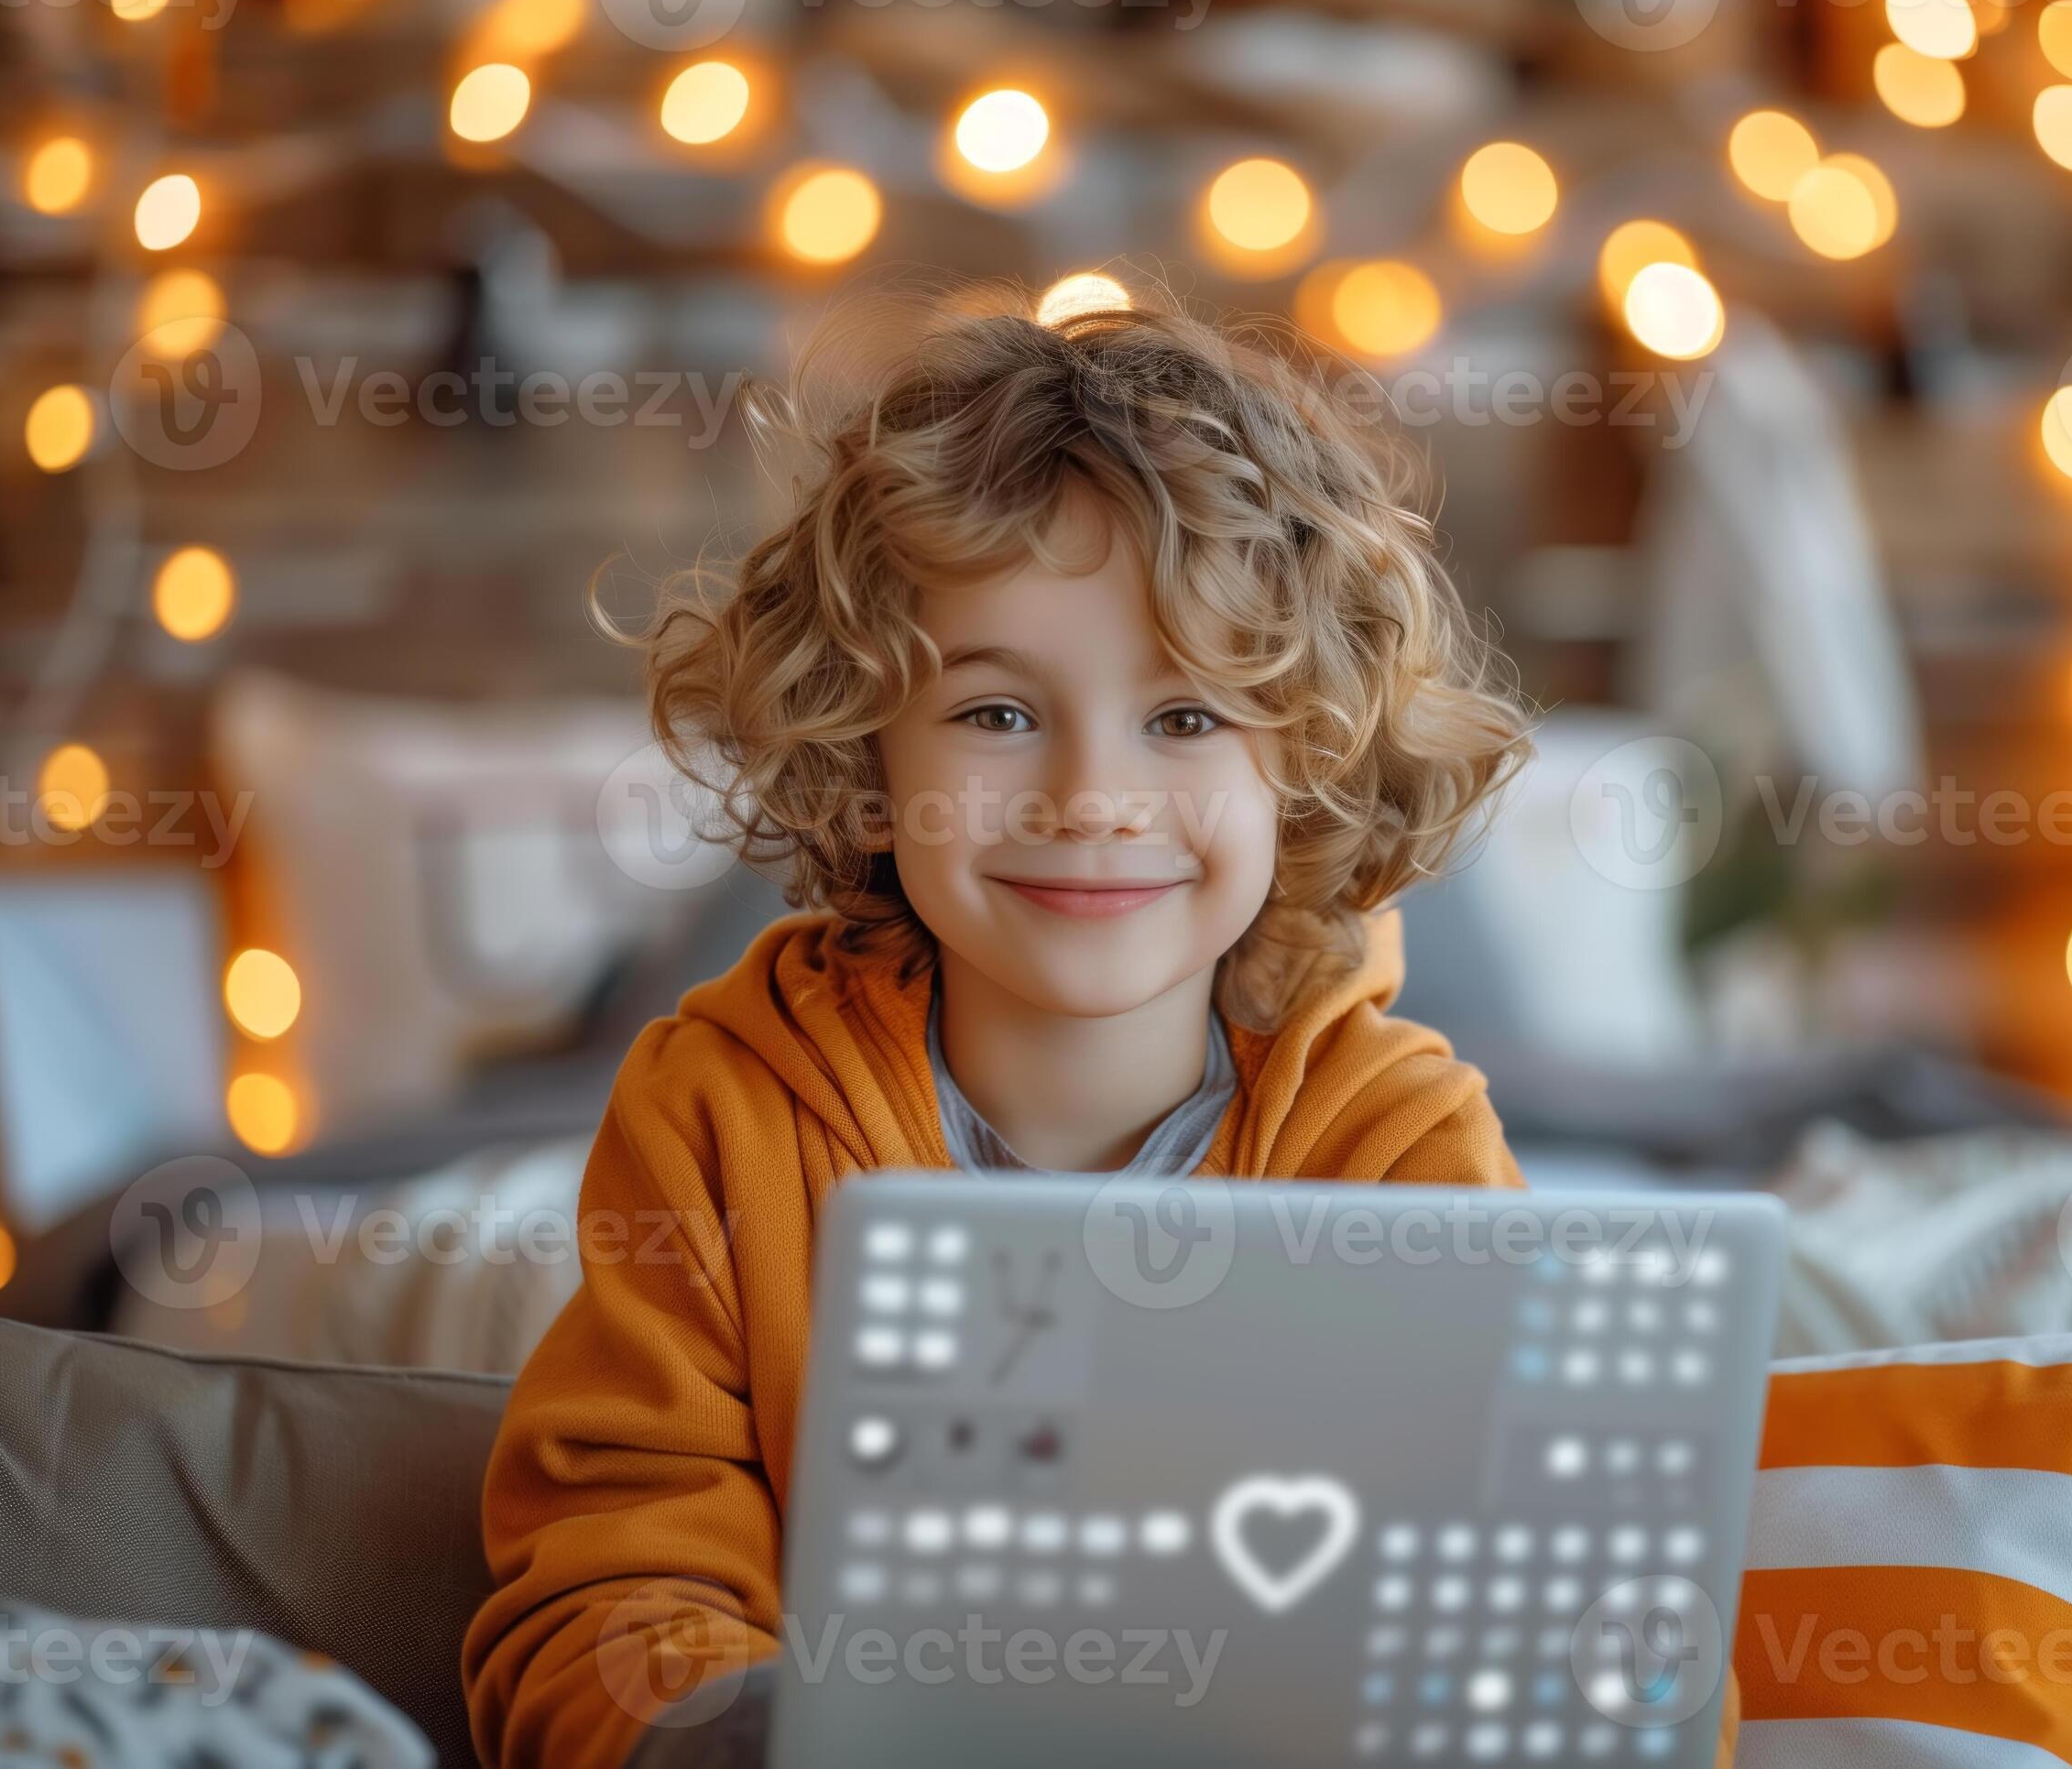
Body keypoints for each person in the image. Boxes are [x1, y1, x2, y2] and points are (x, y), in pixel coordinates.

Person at [463, 289, 1537, 1765]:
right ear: (863, 743)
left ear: (1302, 765)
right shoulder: (717, 1112)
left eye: (1187, 718)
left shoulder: (1400, 1138)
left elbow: (1532, 1591)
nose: (1092, 797)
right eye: (995, 716)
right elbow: (611, 1575)